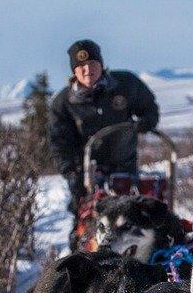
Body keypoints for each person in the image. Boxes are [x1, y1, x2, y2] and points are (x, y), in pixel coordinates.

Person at [47, 39, 160, 212]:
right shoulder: (63, 103)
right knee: (87, 222)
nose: (88, 70)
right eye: (81, 66)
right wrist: (72, 172)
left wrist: (146, 122)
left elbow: (149, 108)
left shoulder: (126, 84)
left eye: (92, 63)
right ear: (74, 71)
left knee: (133, 215)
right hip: (86, 174)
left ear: (101, 64)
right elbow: (60, 144)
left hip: (125, 169)